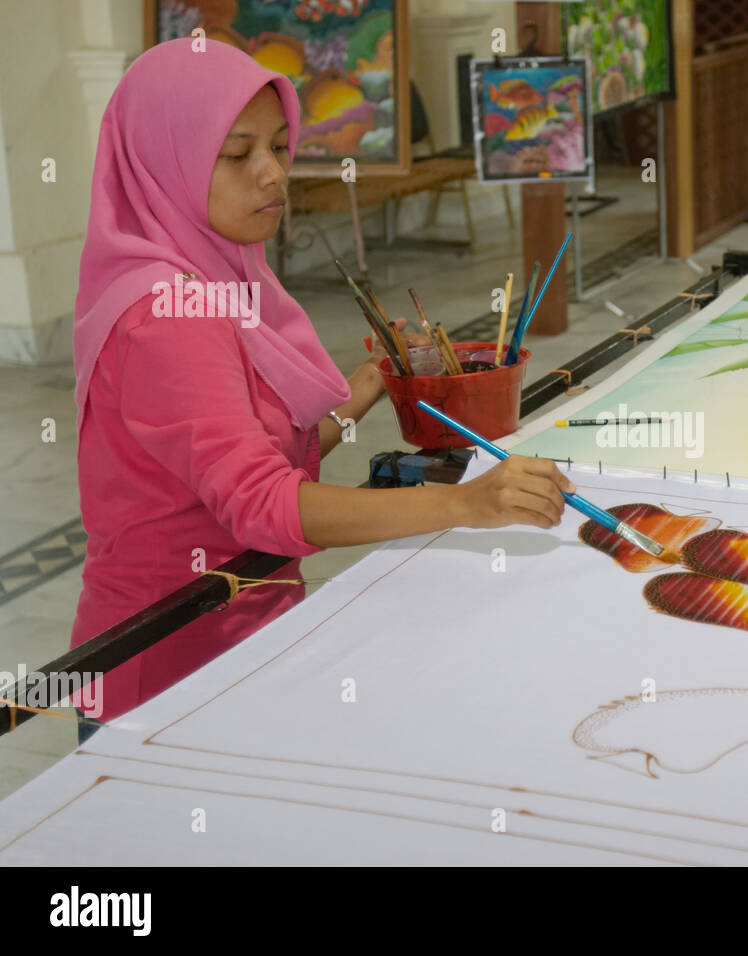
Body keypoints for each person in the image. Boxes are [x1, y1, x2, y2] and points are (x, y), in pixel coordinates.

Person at [69, 39, 573, 736]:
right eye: (237, 154)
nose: (274, 174)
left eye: (279, 146)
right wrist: (467, 503)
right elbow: (262, 504)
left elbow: (248, 457)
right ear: (165, 163)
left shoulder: (210, 274)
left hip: (232, 639)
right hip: (170, 670)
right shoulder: (170, 313)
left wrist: (367, 387)